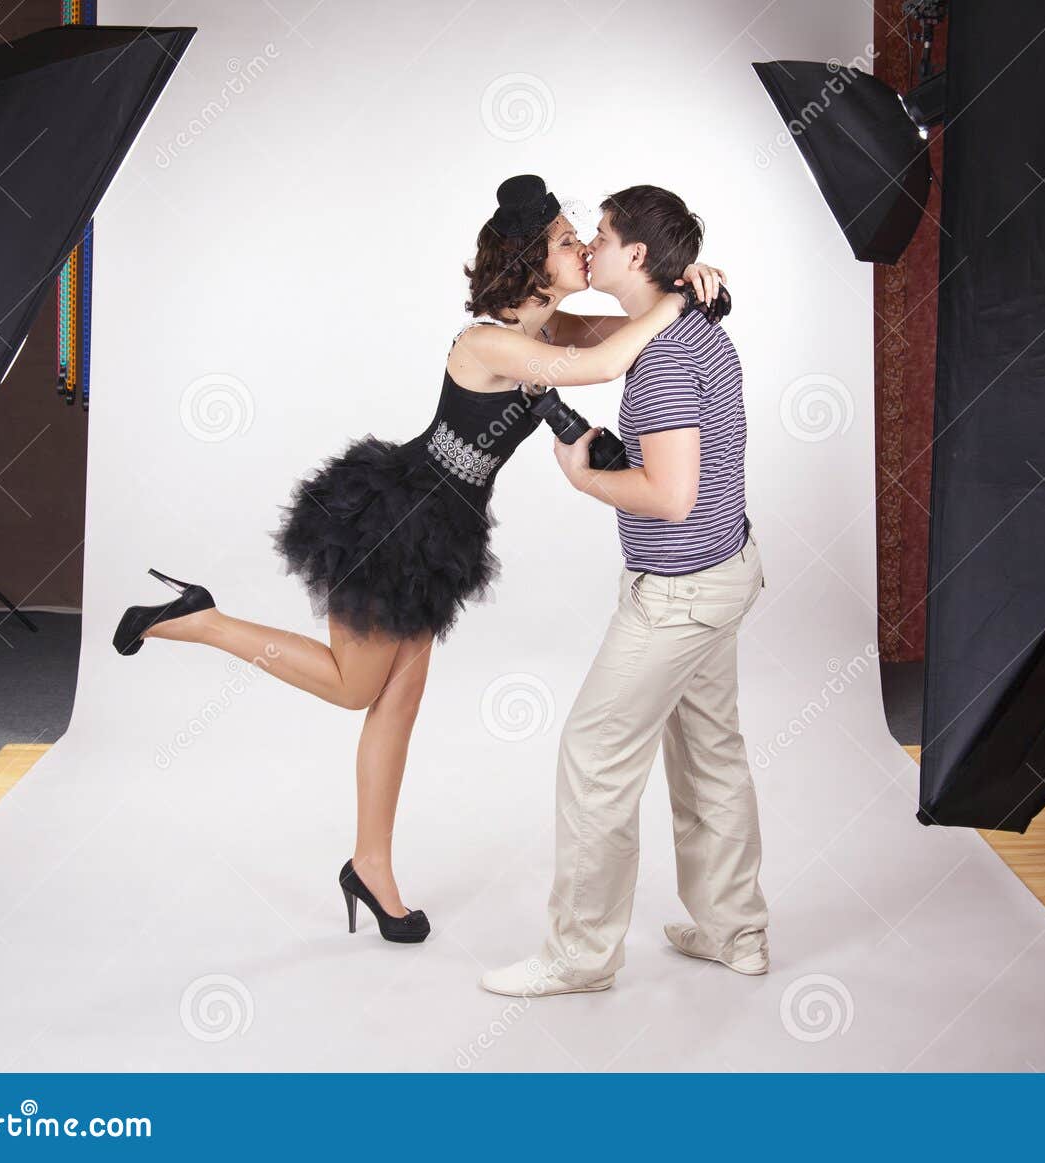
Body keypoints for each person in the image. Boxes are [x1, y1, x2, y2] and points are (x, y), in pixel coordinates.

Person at [110, 175, 727, 945]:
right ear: (536, 259)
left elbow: (627, 339)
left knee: (396, 704)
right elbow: (607, 367)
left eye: (583, 238)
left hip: (442, 532)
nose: (583, 249)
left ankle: (371, 866)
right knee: (351, 686)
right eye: (570, 240)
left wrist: (686, 287)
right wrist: (674, 301)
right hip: (391, 521)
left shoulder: (552, 327)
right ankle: (204, 620)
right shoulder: (487, 340)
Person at [479, 185, 768, 997]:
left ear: (635, 255)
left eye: (599, 237)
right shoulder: (691, 324)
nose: (589, 248)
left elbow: (670, 496)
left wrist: (584, 479)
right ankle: (734, 932)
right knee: (710, 752)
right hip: (727, 569)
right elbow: (572, 332)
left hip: (677, 593)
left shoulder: (663, 363)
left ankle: (579, 955)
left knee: (595, 754)